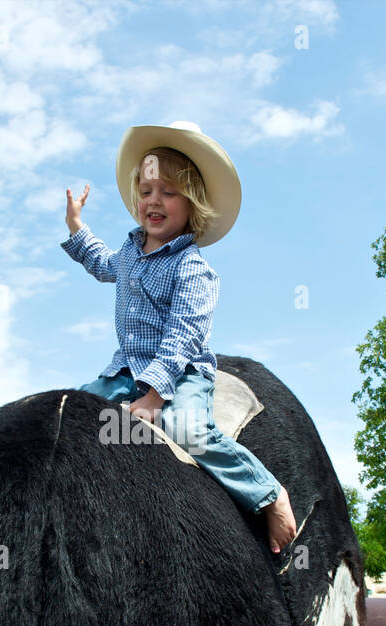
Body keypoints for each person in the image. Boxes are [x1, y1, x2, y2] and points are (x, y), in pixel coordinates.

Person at [61, 121, 297, 553]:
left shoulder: (192, 268)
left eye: (169, 192)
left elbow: (183, 334)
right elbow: (102, 264)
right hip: (126, 369)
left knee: (187, 429)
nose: (154, 201)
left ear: (193, 205)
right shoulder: (131, 253)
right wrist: (77, 226)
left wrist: (154, 396)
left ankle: (267, 493)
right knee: (76, 410)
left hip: (180, 371)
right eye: (147, 190)